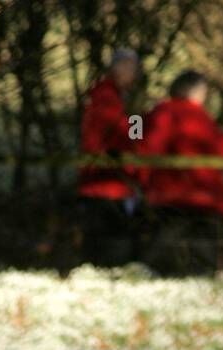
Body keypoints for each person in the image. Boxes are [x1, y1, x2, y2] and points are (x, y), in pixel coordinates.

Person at [140, 70, 223, 277]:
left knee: (165, 241)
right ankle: (205, 275)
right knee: (202, 246)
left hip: (166, 194)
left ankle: (153, 274)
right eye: (204, 91)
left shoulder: (157, 112)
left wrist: (141, 179)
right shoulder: (197, 117)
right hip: (200, 195)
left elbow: (144, 145)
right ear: (195, 92)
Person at [78, 48, 142, 267]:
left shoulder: (110, 96)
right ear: (120, 68)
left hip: (104, 176)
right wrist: (137, 150)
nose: (134, 75)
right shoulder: (107, 97)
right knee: (111, 236)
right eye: (132, 68)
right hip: (106, 179)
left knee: (103, 233)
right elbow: (122, 135)